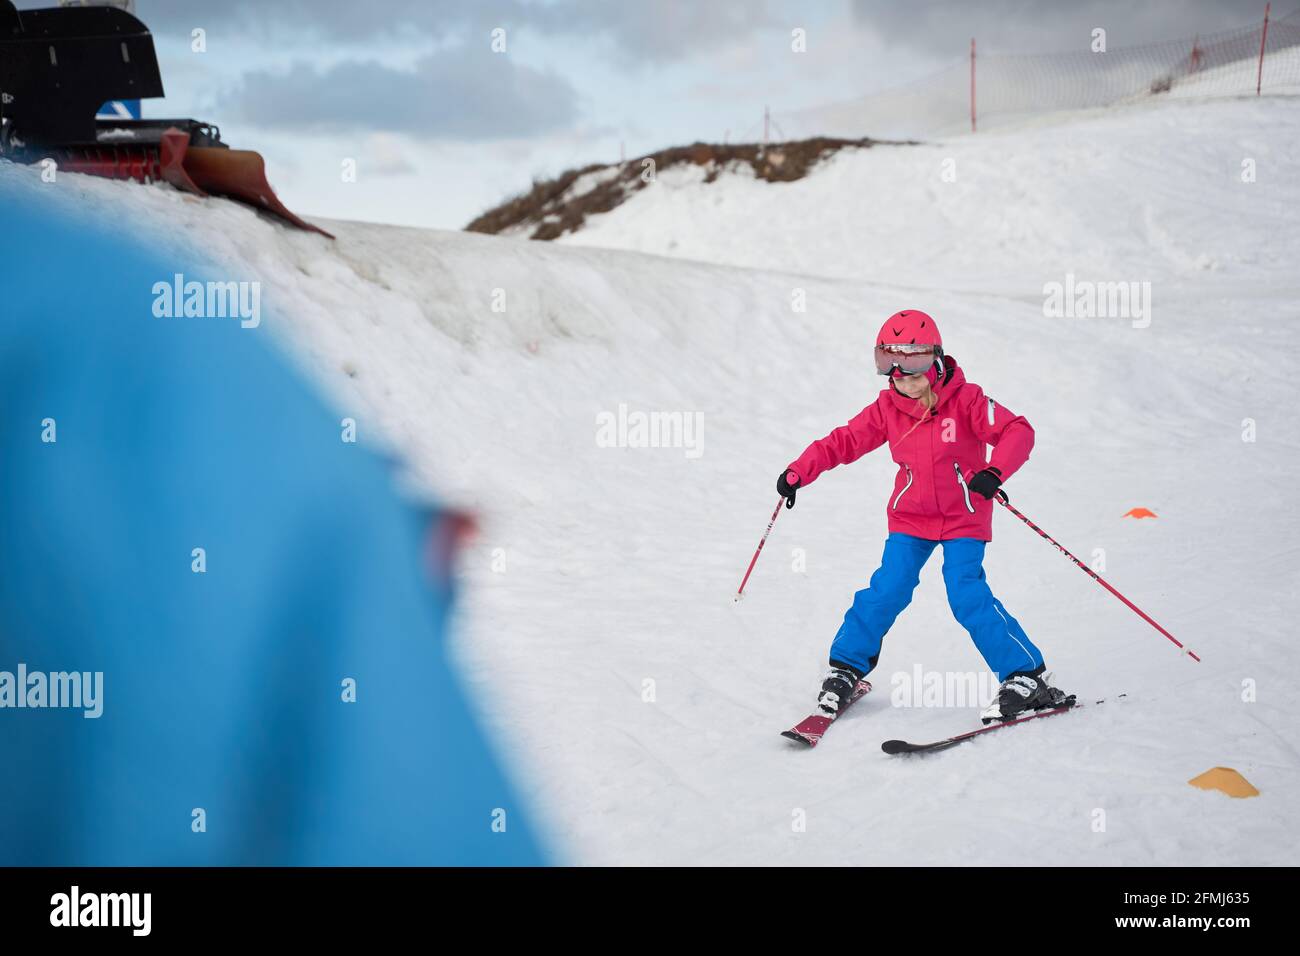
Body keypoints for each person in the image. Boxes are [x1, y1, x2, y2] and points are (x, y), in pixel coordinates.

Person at [777, 309, 1066, 724]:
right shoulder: (886, 408)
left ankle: (1024, 676)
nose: (903, 384)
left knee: (966, 594)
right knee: (886, 589)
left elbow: (1018, 430)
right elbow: (843, 441)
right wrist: (799, 471)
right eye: (893, 374)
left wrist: (994, 471)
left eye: (912, 374)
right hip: (911, 518)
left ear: (934, 363)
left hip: (963, 516)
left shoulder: (967, 400)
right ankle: (846, 668)